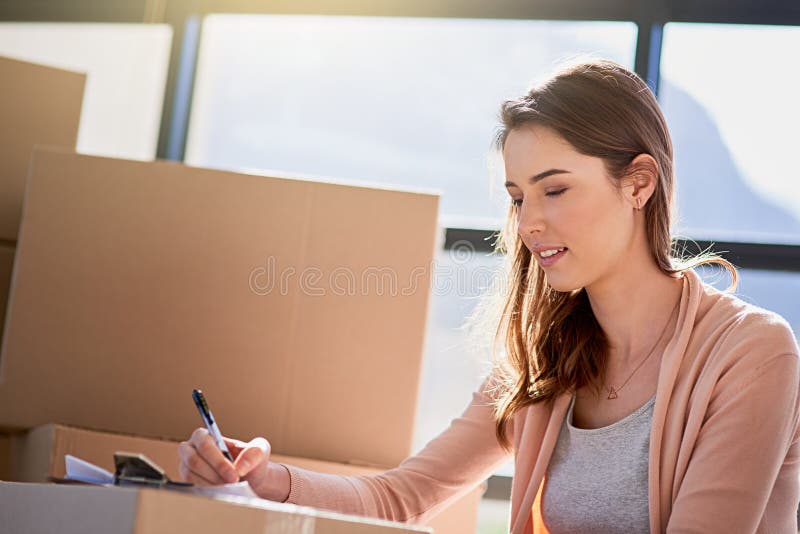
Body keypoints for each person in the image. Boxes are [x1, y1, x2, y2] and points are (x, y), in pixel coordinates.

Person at [178, 58, 800, 533]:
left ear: (638, 183)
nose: (528, 223)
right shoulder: (544, 355)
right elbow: (402, 496)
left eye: (555, 190)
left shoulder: (752, 353)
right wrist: (264, 480)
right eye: (517, 196)